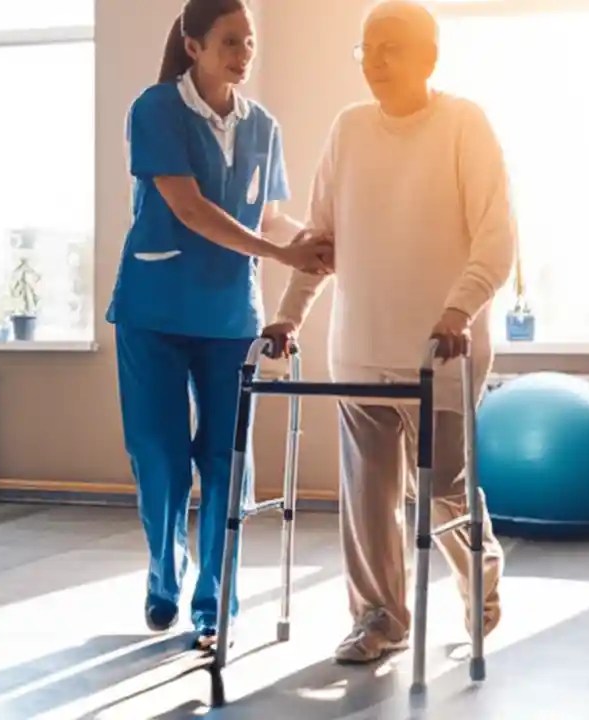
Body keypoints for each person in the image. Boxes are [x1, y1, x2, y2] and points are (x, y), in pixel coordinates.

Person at [262, 0, 516, 664]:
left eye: (389, 48)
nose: (373, 62)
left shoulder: (464, 124)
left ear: (429, 56)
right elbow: (322, 238)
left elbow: (496, 237)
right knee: (371, 497)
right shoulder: (348, 131)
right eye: (365, 49)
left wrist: (460, 309)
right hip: (361, 346)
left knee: (443, 492)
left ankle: (481, 579)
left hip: (443, 351)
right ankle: (379, 618)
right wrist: (289, 315)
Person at [107, 0, 333, 649]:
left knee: (226, 462)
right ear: (193, 44)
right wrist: (283, 252)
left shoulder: (263, 125)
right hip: (154, 308)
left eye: (249, 42)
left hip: (231, 316)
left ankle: (215, 599)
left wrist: (316, 244)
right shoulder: (154, 109)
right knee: (161, 456)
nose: (243, 53)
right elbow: (190, 209)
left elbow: (269, 221)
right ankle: (163, 568)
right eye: (230, 40)